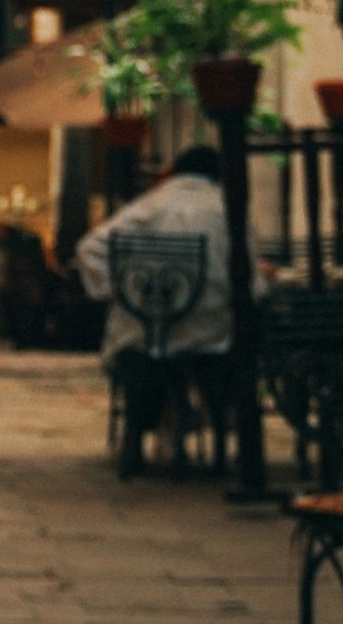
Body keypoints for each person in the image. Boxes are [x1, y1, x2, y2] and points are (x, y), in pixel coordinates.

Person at [76, 145, 239, 477]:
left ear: (173, 171)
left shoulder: (148, 207)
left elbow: (90, 248)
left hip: (146, 332)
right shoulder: (227, 210)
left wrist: (120, 293)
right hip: (210, 335)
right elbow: (251, 284)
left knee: (137, 351)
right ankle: (221, 440)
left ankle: (135, 438)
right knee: (231, 351)